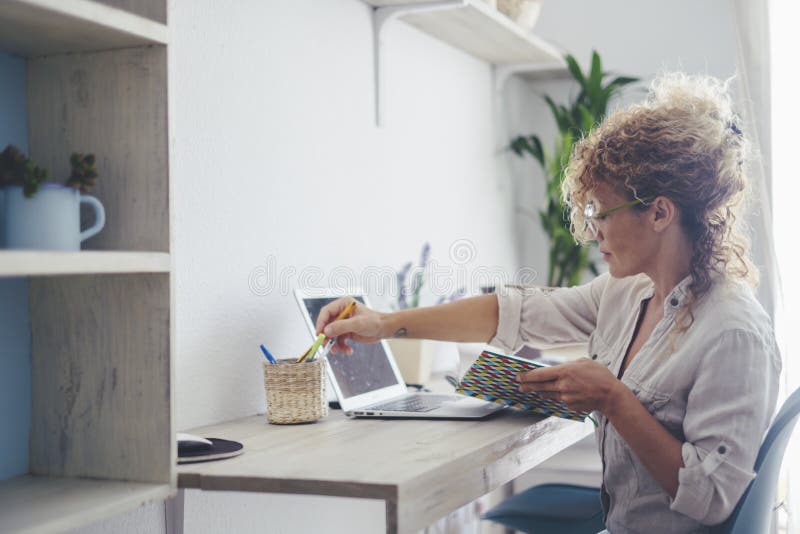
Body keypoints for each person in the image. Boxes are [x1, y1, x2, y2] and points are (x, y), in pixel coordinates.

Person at [315, 73, 781, 533]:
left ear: (659, 212)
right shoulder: (628, 292)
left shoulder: (733, 333)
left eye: (601, 213)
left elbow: (712, 499)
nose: (593, 232)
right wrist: (385, 323)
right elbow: (516, 313)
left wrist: (614, 400)